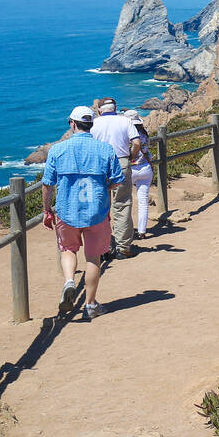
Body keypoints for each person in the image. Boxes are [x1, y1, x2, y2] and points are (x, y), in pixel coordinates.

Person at [42, 106, 123, 321]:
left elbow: (47, 184)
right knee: (93, 258)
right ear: (91, 124)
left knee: (68, 250)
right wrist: (103, 191)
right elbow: (116, 180)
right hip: (97, 211)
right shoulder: (105, 150)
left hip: (67, 211)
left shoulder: (57, 150)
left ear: (72, 124)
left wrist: (46, 209)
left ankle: (69, 281)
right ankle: (90, 305)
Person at [90, 98, 141, 260]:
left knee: (101, 207)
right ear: (115, 108)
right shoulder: (125, 121)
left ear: (99, 110)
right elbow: (137, 143)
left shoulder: (94, 124)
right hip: (121, 161)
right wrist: (131, 158)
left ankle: (103, 247)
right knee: (122, 204)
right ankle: (123, 248)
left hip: (99, 165)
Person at [124, 110, 154, 240]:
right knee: (143, 201)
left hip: (131, 170)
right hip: (145, 169)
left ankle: (127, 230)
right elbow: (146, 151)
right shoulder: (143, 133)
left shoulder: (127, 135)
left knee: (125, 201)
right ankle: (142, 231)